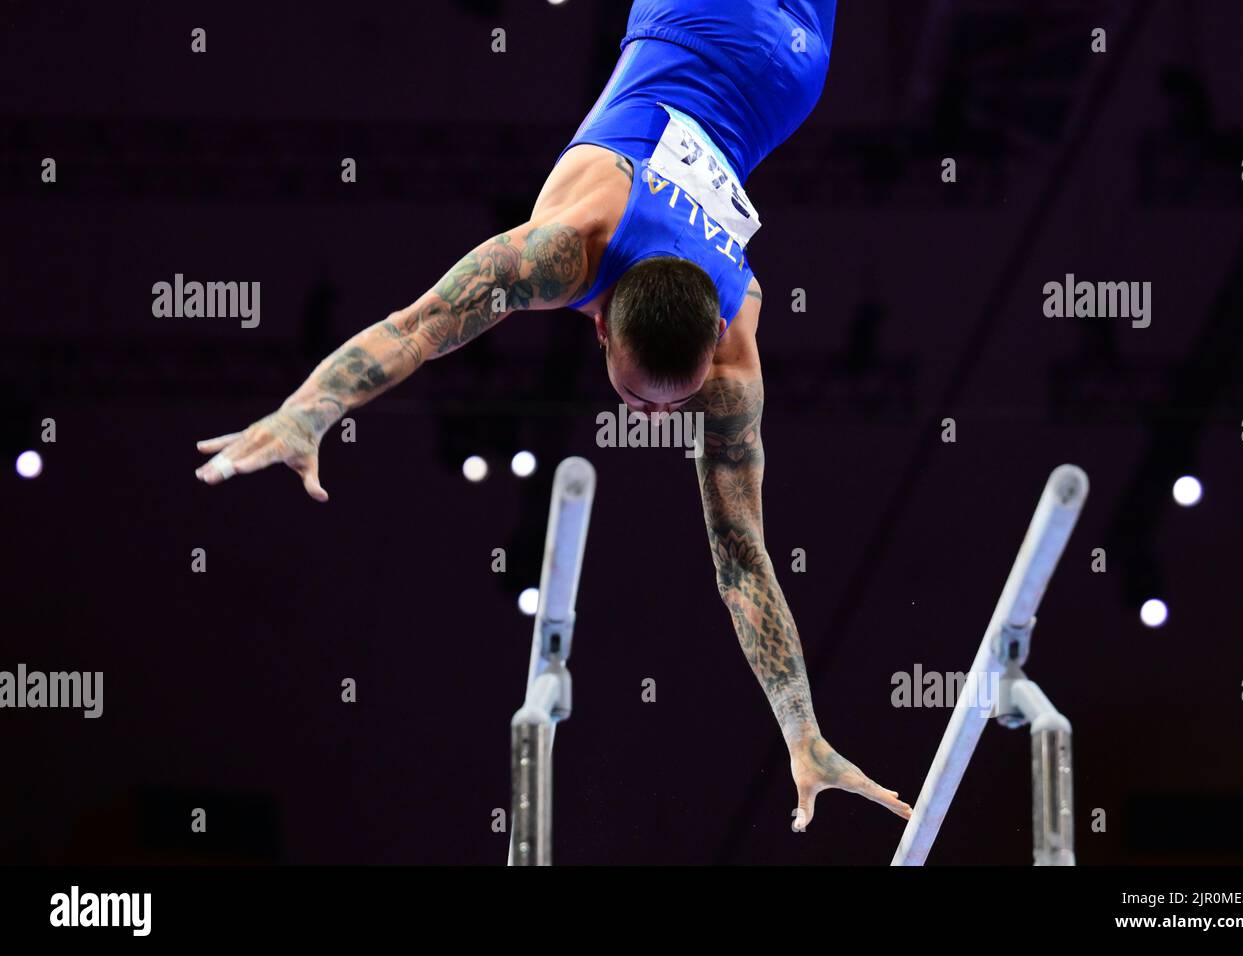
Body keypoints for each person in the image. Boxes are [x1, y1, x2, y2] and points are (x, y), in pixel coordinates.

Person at [195, 0, 911, 832]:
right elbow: (421, 327)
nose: (647, 415)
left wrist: (803, 730)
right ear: (604, 322)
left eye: (653, 403)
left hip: (789, 71)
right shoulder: (603, 263)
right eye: (648, 399)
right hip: (734, 44)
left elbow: (422, 326)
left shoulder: (697, 293)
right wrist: (305, 412)